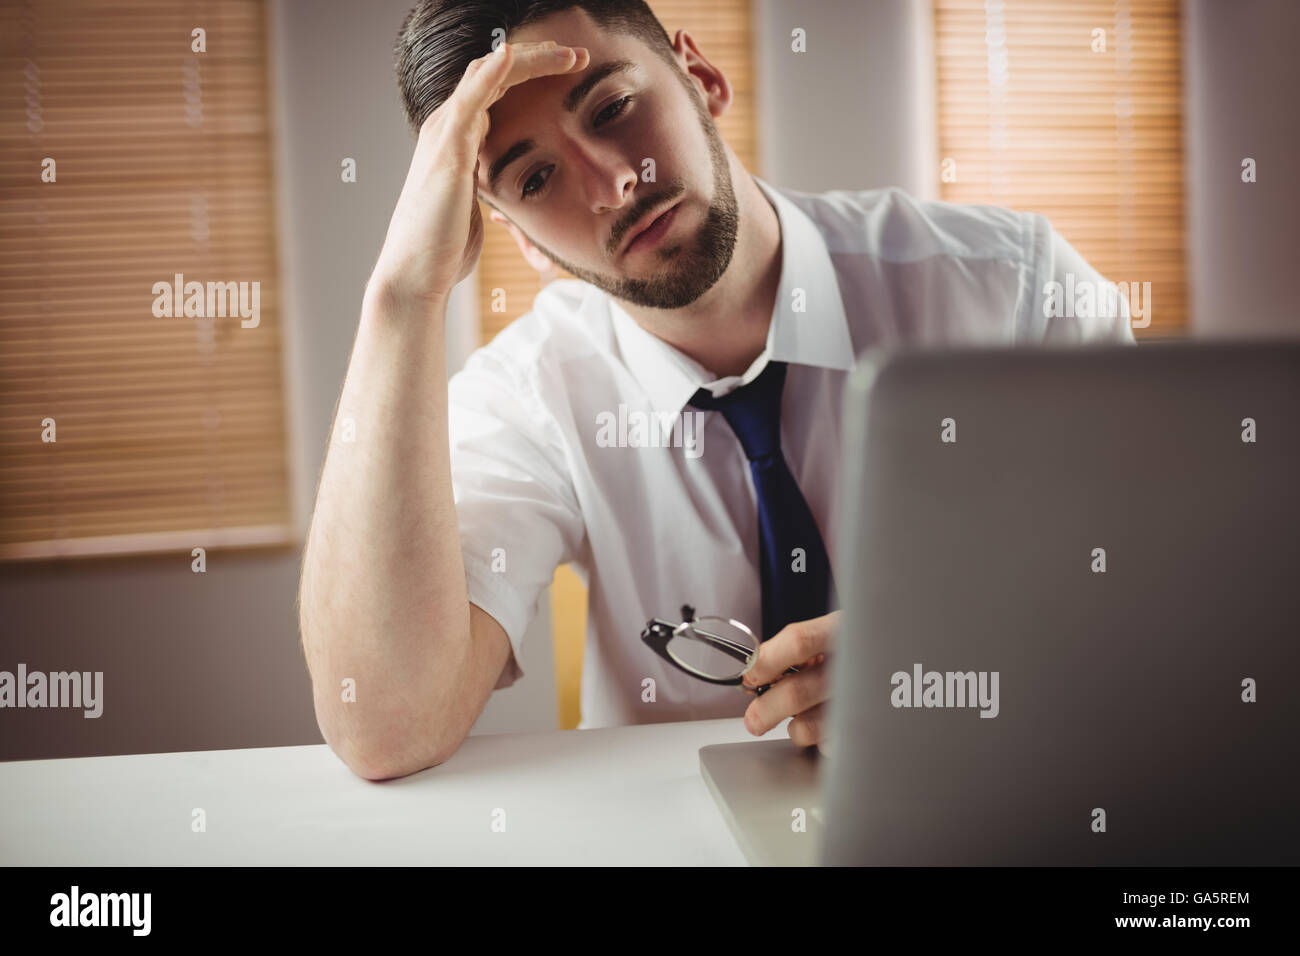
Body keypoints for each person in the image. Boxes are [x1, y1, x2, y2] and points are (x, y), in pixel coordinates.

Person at [298, 0, 1135, 780]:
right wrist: (404, 297)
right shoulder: (531, 395)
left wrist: (970, 660)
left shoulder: (1015, 290)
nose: (610, 183)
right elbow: (384, 724)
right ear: (523, 243)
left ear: (701, 77)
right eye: (535, 181)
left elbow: (1174, 599)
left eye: (612, 109)